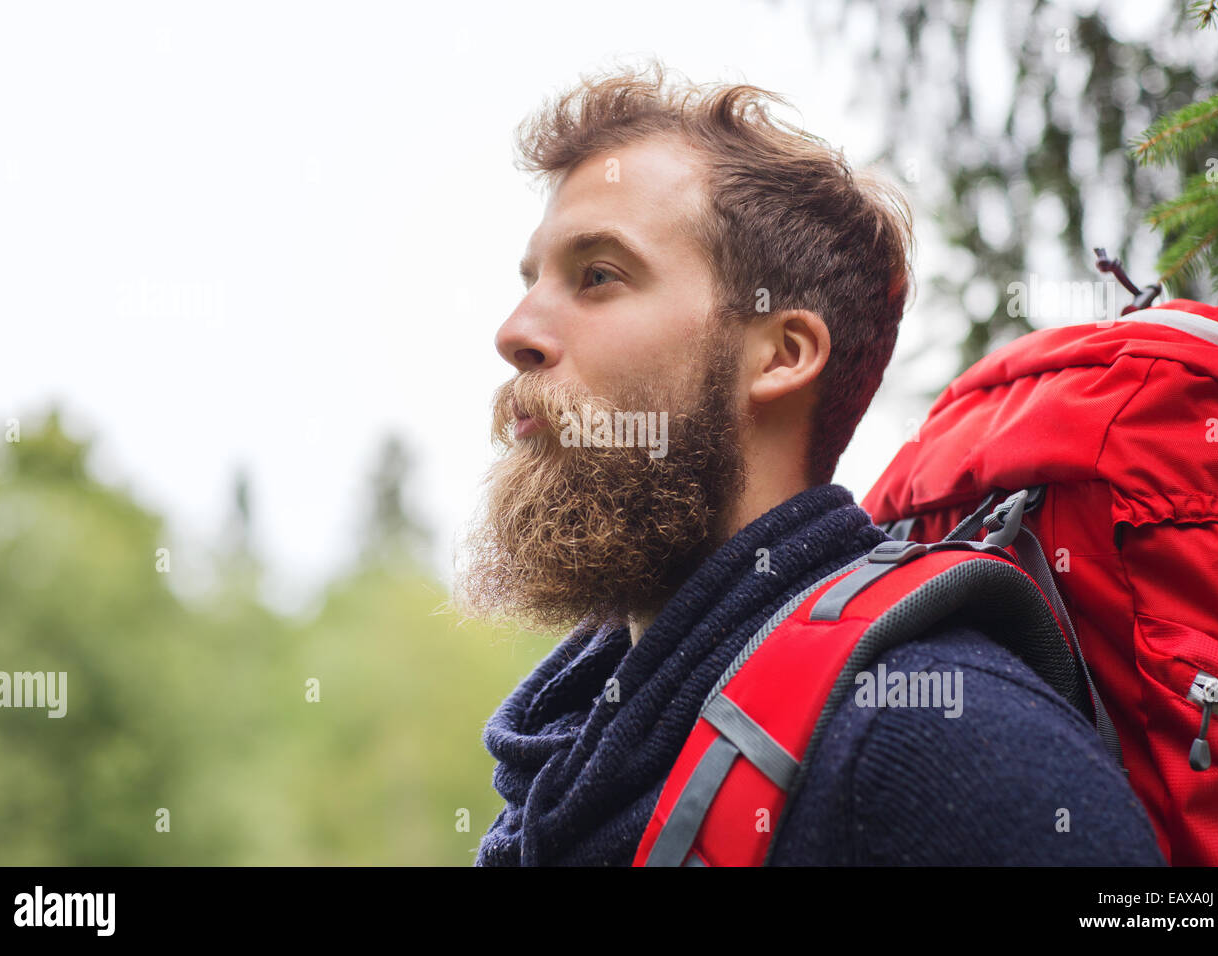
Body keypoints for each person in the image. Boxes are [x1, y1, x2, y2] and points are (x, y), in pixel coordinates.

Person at [454, 58, 1166, 867]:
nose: (515, 331)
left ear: (781, 355)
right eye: (532, 279)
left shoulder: (932, 736)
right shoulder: (567, 759)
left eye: (598, 276)